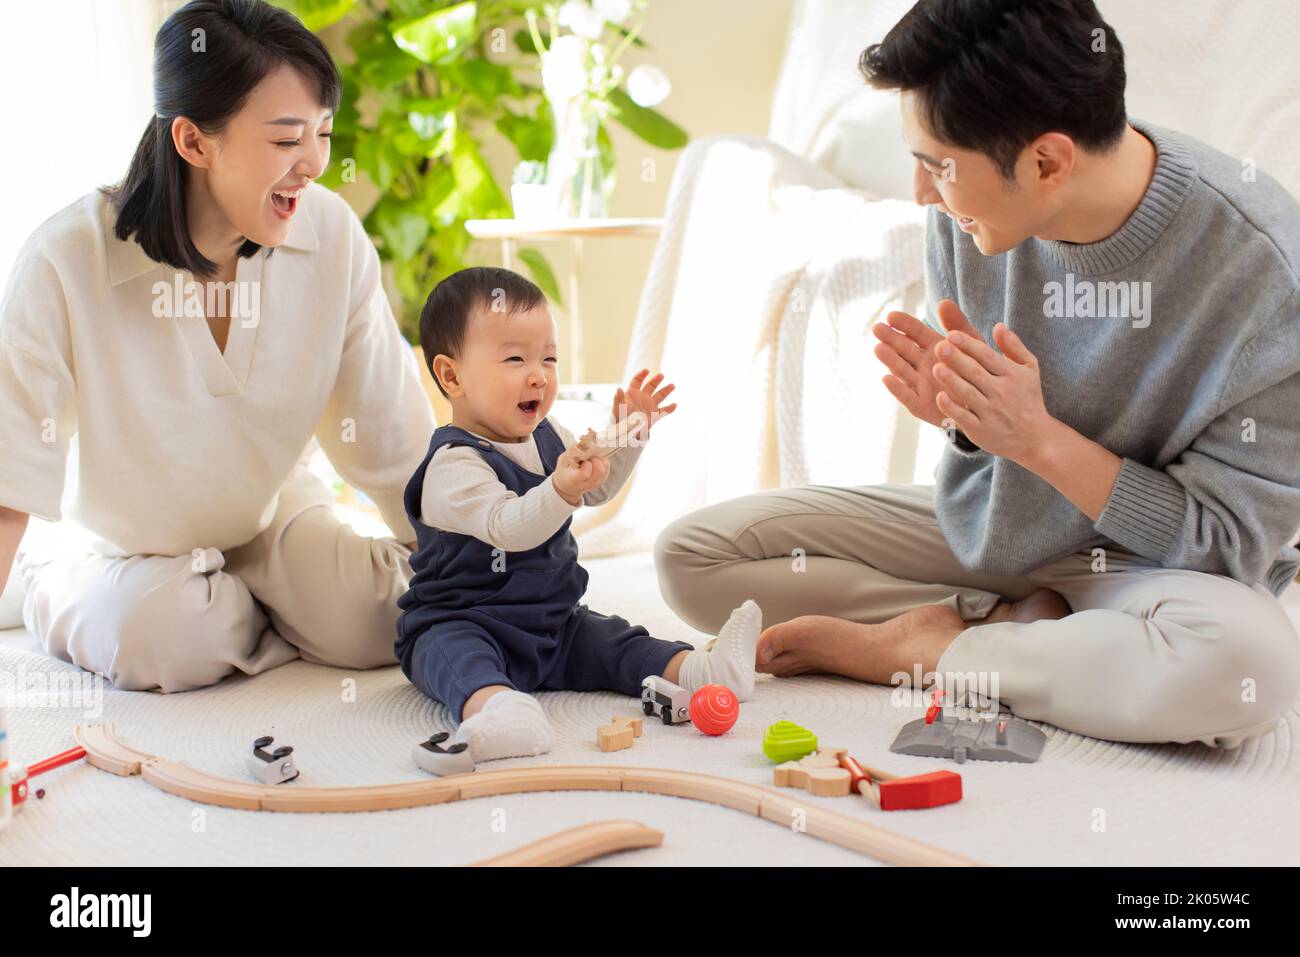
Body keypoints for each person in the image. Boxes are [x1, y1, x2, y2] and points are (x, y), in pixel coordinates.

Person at [654, 0, 1300, 748]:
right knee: (693, 561)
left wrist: (1038, 441)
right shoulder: (965, 219)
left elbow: (1228, 544)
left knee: (1250, 665)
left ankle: (937, 648)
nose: (922, 193)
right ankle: (1005, 626)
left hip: (1148, 575)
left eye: (937, 167)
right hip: (998, 541)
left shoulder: (1266, 276)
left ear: (1047, 161)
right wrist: (964, 425)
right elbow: (984, 461)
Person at [0, 0, 433, 691]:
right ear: (195, 142)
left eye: (322, 133)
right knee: (163, 641)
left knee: (388, 618)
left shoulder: (331, 236)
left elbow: (393, 438)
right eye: (287, 139)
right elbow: (8, 482)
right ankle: (58, 589)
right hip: (118, 543)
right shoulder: (64, 261)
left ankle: (246, 600)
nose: (314, 163)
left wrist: (477, 582)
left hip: (264, 514)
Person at [395, 267, 761, 761]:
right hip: (464, 619)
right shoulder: (453, 464)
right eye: (515, 358)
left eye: (548, 357)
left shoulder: (549, 435)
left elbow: (598, 485)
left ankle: (706, 671)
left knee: (615, 642)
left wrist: (630, 434)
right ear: (452, 376)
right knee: (459, 661)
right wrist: (561, 488)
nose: (538, 374)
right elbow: (509, 527)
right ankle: (503, 713)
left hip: (551, 622)